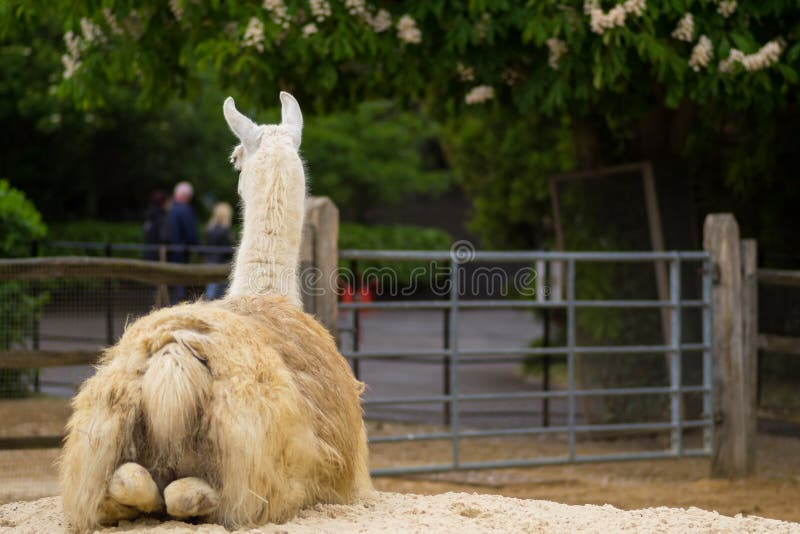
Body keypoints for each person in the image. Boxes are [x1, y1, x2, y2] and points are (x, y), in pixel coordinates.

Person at [167, 181, 199, 303]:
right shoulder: (185, 210)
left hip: (168, 254)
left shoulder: (169, 208)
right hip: (181, 254)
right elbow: (192, 235)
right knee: (180, 287)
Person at [203, 202, 234, 300]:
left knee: (211, 289)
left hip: (209, 261)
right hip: (221, 263)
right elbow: (228, 249)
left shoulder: (209, 228)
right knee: (217, 292)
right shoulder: (225, 230)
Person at [142, 190, 170, 261]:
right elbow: (163, 242)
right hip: (157, 258)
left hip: (146, 256)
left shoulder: (148, 217)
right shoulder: (162, 218)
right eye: (168, 201)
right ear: (163, 203)